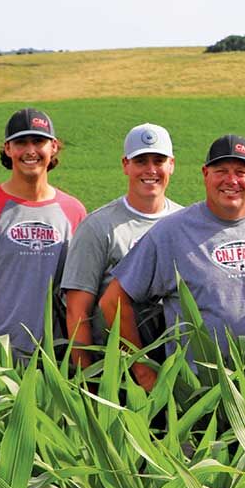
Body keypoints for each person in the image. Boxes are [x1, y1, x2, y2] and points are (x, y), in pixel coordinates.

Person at [101, 134, 245, 387]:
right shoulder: (171, 232)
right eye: (221, 171)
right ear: (205, 174)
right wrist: (143, 371)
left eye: (240, 171)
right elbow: (112, 301)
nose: (231, 180)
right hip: (196, 392)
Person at [0, 108, 86, 362]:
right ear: (8, 149)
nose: (30, 150)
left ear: (53, 147)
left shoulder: (73, 211)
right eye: (21, 142)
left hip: (56, 360)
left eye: (38, 141)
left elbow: (80, 293)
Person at [61, 123, 182, 368]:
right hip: (112, 370)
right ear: (125, 165)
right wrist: (88, 384)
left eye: (158, 161)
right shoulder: (98, 227)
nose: (150, 170)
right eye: (140, 161)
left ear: (172, 164)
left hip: (175, 367)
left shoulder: (185, 223)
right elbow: (77, 311)